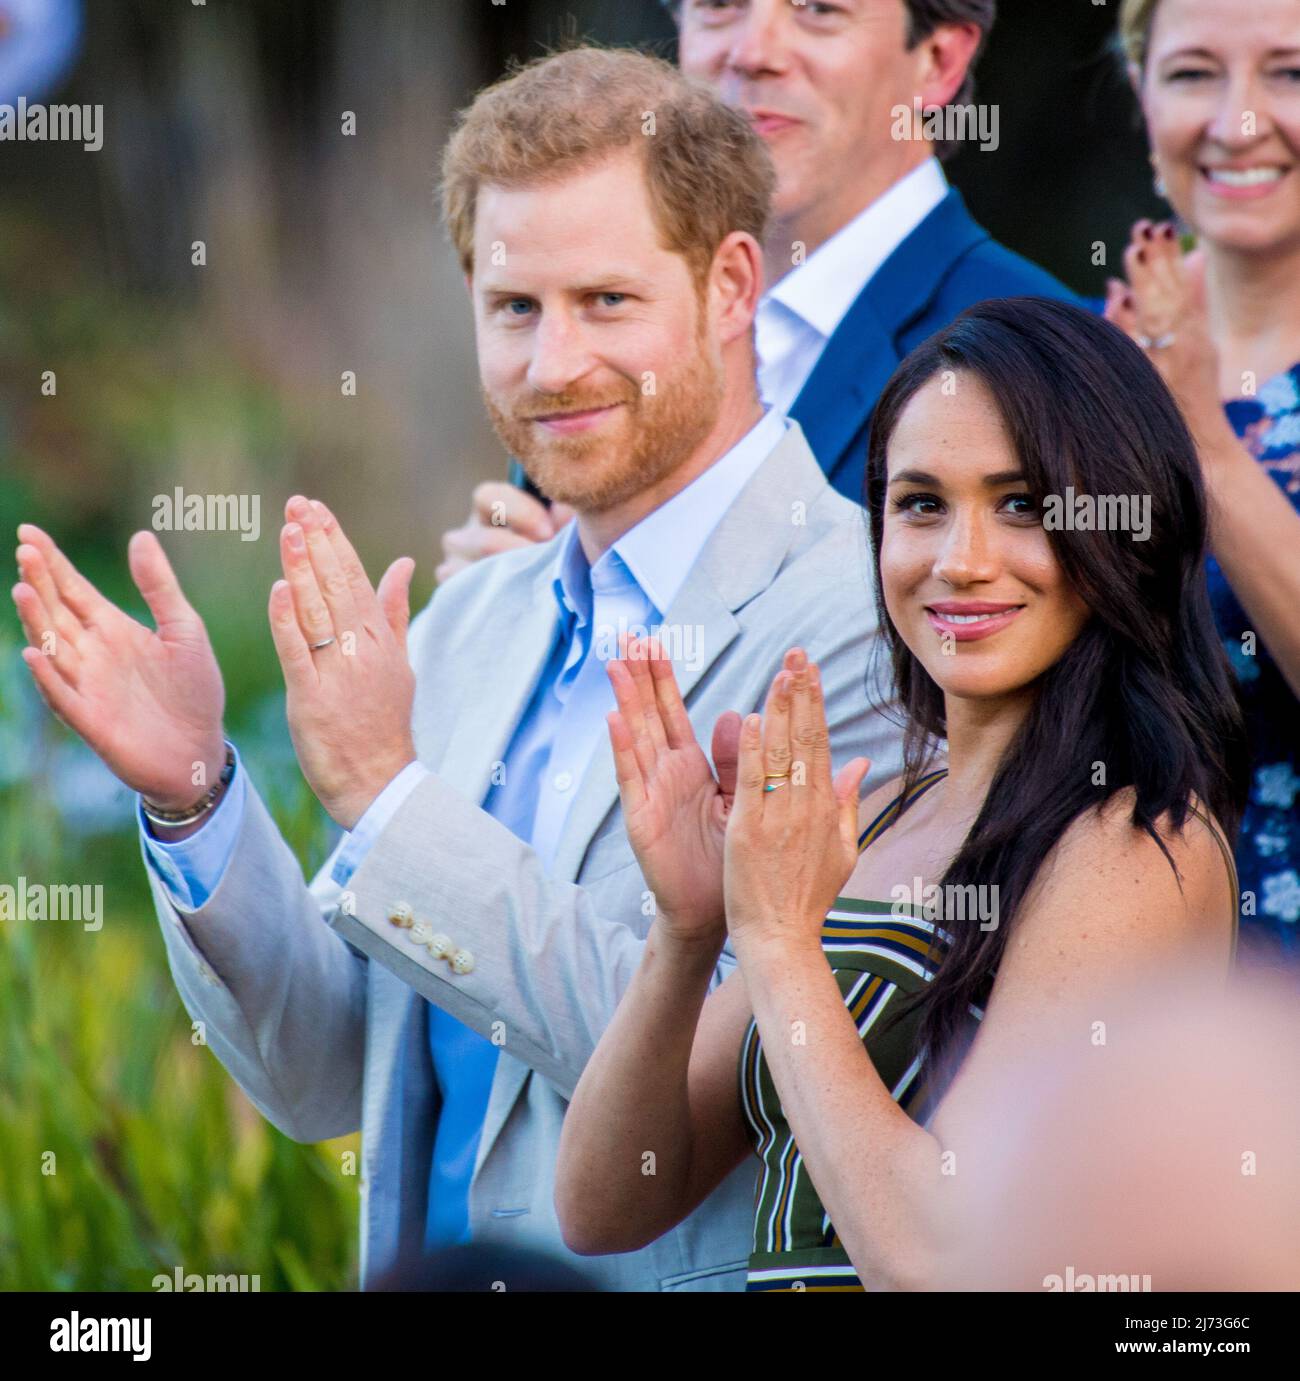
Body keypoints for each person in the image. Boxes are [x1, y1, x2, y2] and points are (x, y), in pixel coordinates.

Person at [11, 47, 903, 1291]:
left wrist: (387, 796)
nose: (550, 367)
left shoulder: (863, 623)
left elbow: (732, 1075)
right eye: (513, 309)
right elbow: (328, 1072)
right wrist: (198, 796)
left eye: (605, 302)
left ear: (731, 285)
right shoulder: (468, 620)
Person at [554, 297, 1249, 1291]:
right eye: (920, 503)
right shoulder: (876, 812)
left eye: (1020, 505)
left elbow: (950, 1257)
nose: (958, 560)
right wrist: (692, 929)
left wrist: (784, 943)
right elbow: (604, 1202)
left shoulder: (1134, 840)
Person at [438, 0, 1079, 582]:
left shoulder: (1057, 358)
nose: (752, 52)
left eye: (818, 10)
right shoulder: (571, 328)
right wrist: (515, 606)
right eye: (720, 5)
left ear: (938, 60)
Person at [1106, 0, 1300, 961]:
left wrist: (1203, 441)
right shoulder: (1099, 340)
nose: (1240, 122)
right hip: (1119, 986)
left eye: (1289, 72)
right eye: (1191, 74)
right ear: (1142, 96)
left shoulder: (1171, 387)